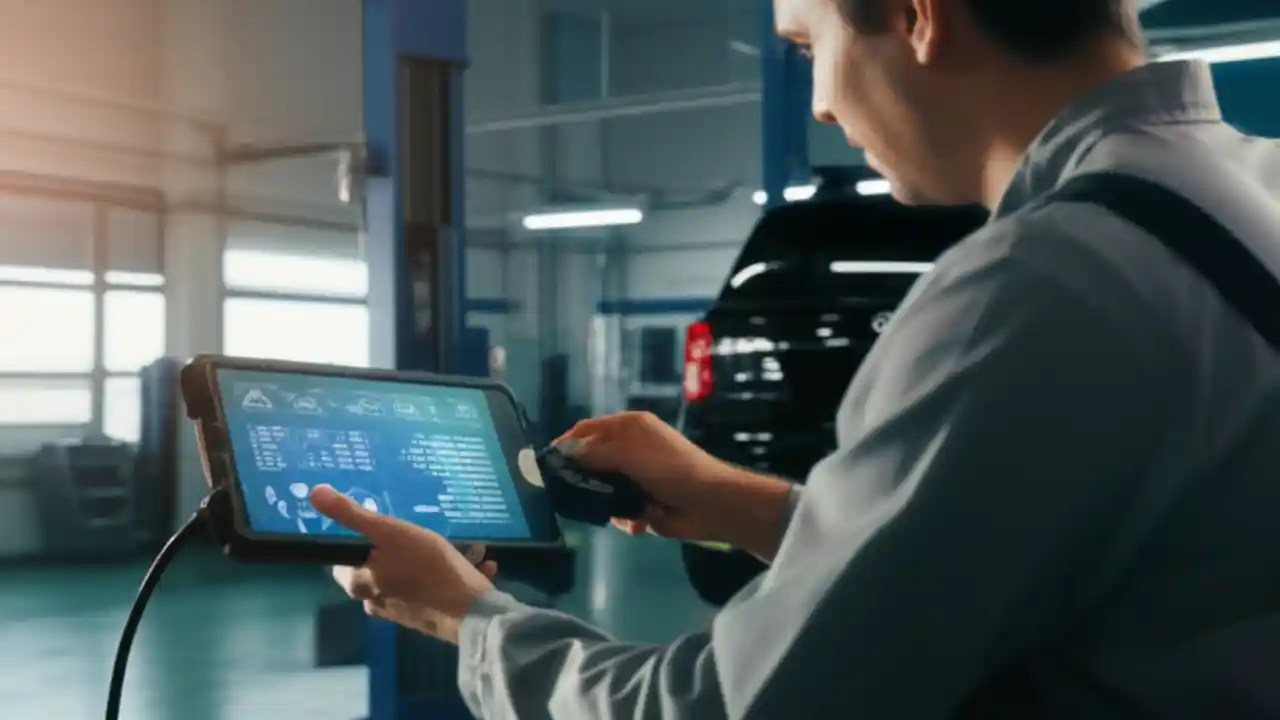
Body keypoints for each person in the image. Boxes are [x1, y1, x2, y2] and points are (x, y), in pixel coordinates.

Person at [312, 0, 1280, 716]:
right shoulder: (1247, 186)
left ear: (915, 17)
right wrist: (742, 503)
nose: (817, 105)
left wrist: (468, 618)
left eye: (808, 47)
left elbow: (738, 707)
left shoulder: (1034, 283)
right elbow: (1042, 551)